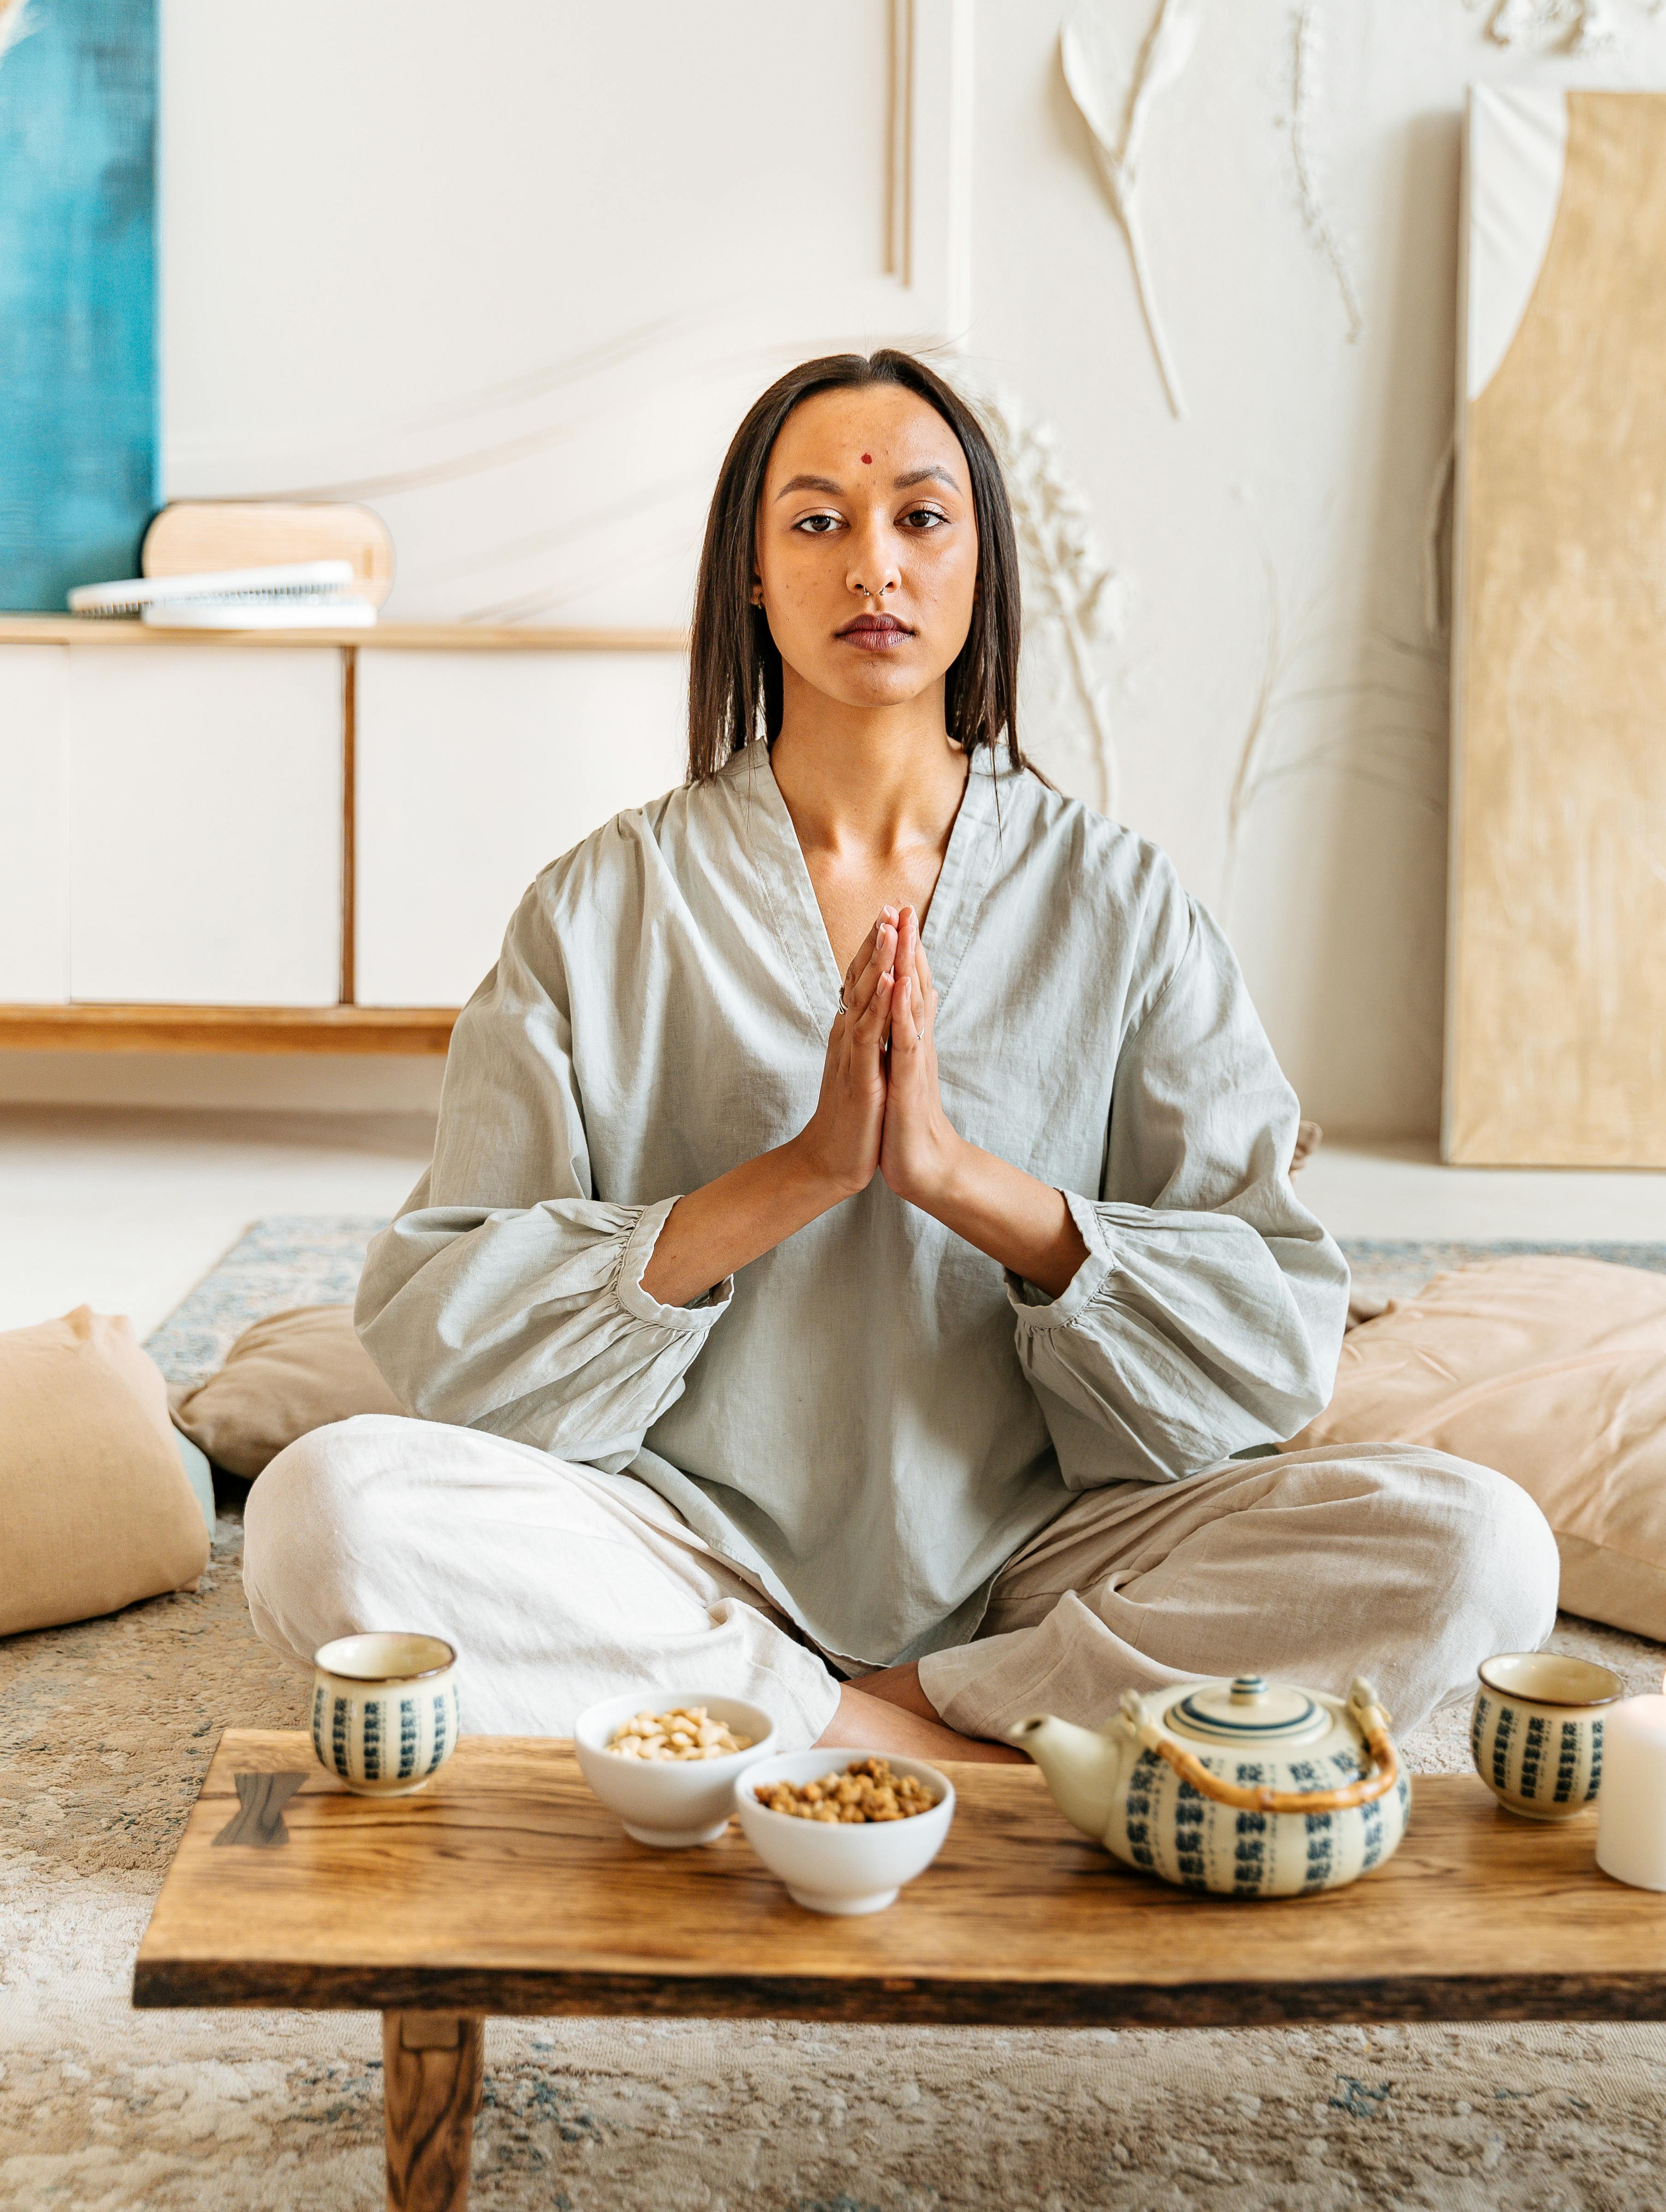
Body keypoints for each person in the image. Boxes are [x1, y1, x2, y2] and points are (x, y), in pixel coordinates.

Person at [243, 350, 1557, 1759]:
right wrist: (802, 1174)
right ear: (751, 572)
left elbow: (1266, 1336)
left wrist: (958, 1181)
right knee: (323, 1515)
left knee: (1485, 1551)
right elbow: (453, 1328)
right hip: (681, 1547)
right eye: (818, 521)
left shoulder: (1124, 902)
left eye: (921, 519)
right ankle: (870, 1714)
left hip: (1048, 1563)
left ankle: (887, 1711)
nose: (874, 561)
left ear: (981, 563)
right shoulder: (601, 904)